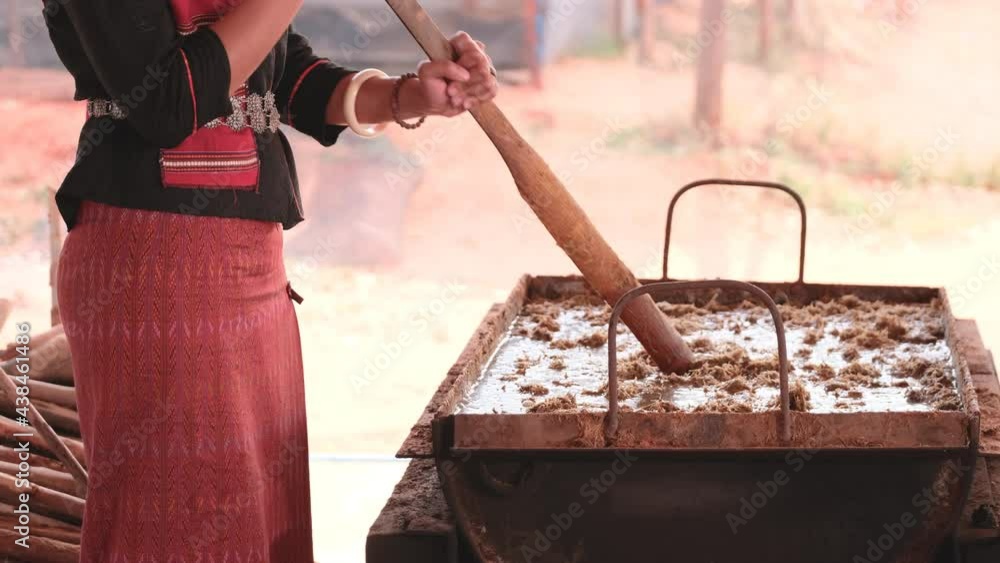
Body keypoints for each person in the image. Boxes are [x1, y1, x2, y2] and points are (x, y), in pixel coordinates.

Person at [42, 0, 498, 559]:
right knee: (176, 526)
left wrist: (412, 94)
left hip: (252, 267)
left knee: (256, 522)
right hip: (156, 271)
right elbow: (165, 102)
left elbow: (285, 77)